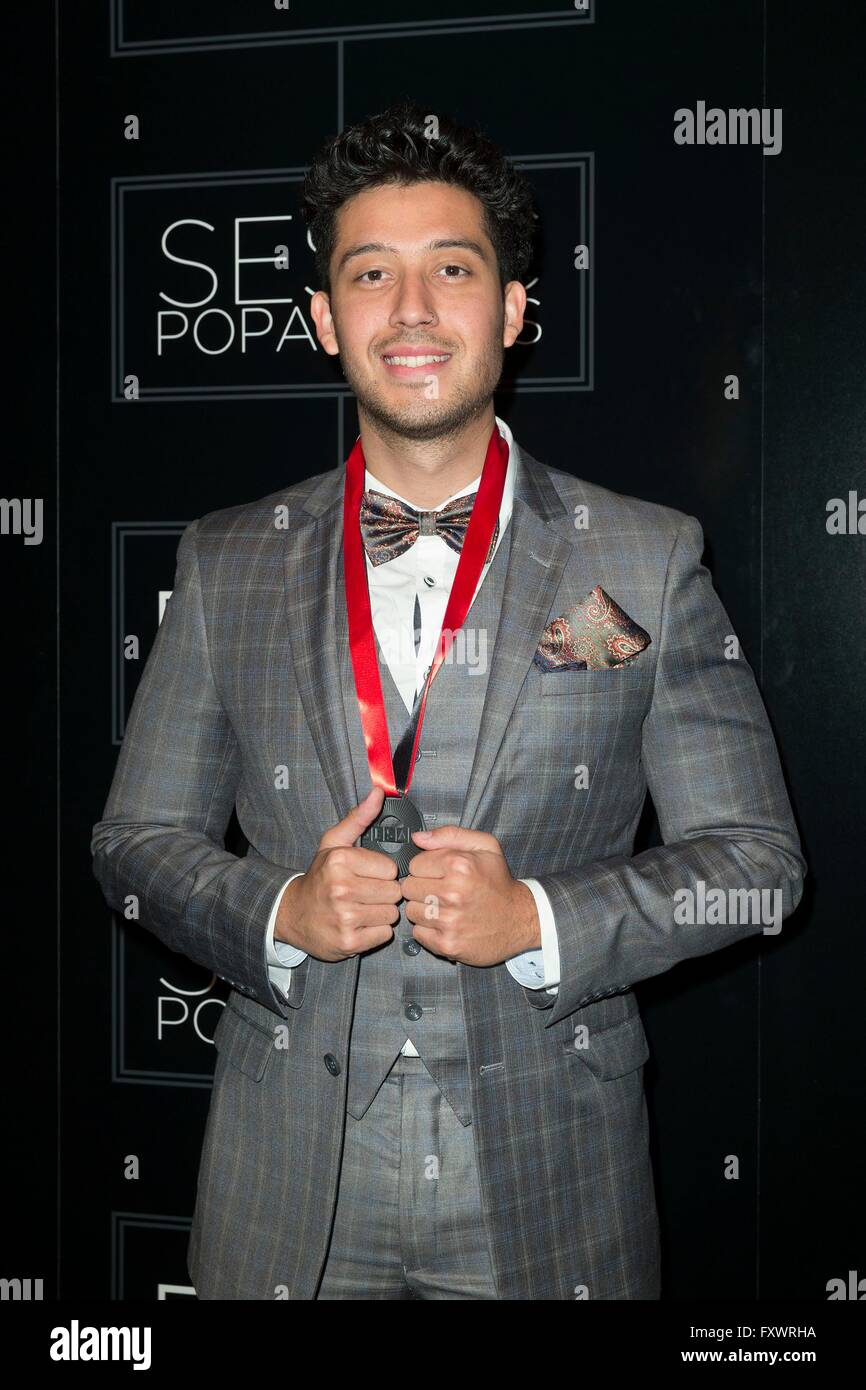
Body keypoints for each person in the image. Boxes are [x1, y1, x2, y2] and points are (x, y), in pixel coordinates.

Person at [91, 99, 806, 1300]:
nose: (410, 308)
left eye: (451, 270)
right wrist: (277, 911)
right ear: (323, 320)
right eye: (370, 274)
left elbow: (758, 862)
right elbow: (133, 844)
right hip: (288, 1181)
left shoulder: (644, 556)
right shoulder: (225, 560)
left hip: (548, 1175)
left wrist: (541, 919)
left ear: (515, 308)